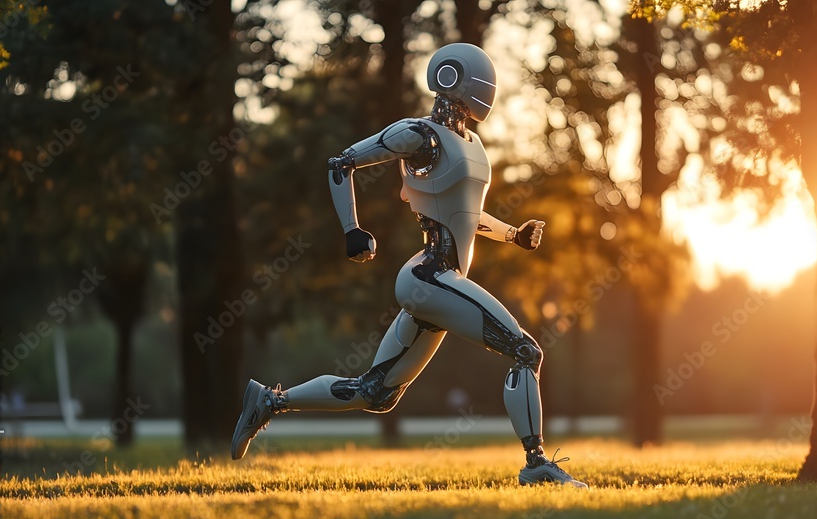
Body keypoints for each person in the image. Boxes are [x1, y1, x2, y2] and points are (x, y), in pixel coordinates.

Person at [231, 43, 586, 488]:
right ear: (454, 78)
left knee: (375, 393)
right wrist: (351, 229)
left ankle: (268, 401)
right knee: (525, 351)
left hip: (441, 281)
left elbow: (471, 218)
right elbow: (342, 163)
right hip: (431, 275)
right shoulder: (420, 134)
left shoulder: (471, 144)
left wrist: (513, 234)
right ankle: (536, 465)